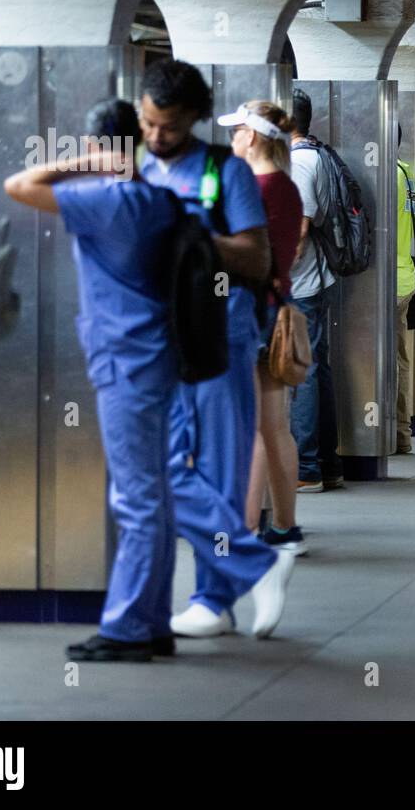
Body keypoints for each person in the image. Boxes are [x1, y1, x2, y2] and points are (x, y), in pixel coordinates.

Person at [3, 100, 185, 663]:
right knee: (154, 491)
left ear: (99, 146)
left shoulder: (103, 200)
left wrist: (84, 163)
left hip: (124, 362)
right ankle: (152, 620)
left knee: (134, 497)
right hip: (158, 358)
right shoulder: (159, 197)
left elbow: (19, 184)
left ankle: (129, 626)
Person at [138, 61, 295, 639]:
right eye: (150, 124)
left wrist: (193, 237)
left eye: (171, 127)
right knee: (159, 468)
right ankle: (253, 563)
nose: (158, 138)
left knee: (221, 470)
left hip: (219, 337)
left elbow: (257, 258)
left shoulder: (223, 173)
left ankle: (214, 597)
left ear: (196, 121)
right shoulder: (140, 168)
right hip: (159, 341)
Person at [221, 101, 309, 556]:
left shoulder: (253, 187)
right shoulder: (287, 187)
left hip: (248, 311)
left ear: (251, 137)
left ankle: (245, 530)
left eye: (236, 130)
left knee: (248, 429)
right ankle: (286, 528)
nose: (232, 138)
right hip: (278, 308)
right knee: (275, 427)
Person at [287, 90, 345, 492]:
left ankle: (307, 467)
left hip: (301, 284)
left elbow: (299, 229)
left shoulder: (299, 164)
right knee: (317, 369)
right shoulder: (318, 155)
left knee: (303, 372)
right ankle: (327, 462)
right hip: (316, 280)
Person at [396, 125, 415, 454]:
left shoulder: (385, 174)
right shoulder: (404, 172)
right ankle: (401, 431)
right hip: (406, 275)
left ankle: (380, 432)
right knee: (399, 359)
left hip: (385, 281)